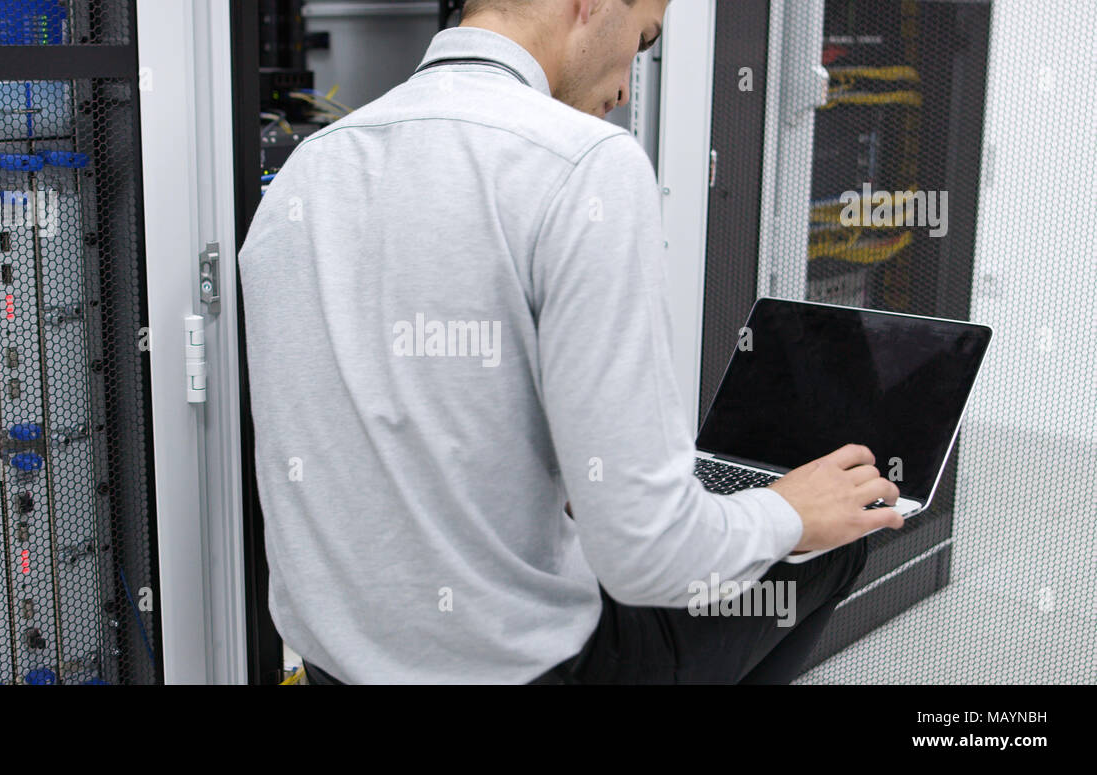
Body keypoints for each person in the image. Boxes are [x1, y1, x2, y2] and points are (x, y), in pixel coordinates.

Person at [238, 0, 904, 684]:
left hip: (334, 665)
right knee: (838, 535)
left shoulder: (303, 172)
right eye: (641, 41)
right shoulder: (586, 165)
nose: (624, 87)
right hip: (538, 670)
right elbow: (651, 558)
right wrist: (788, 511)